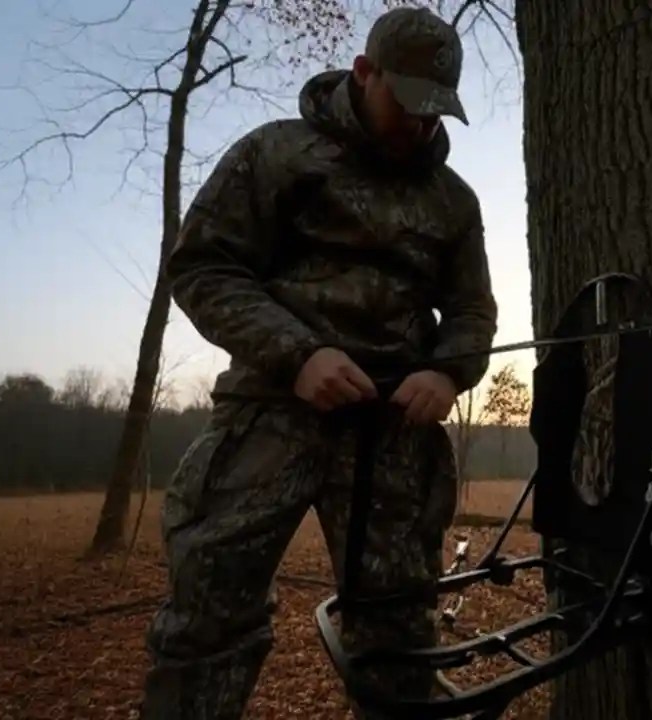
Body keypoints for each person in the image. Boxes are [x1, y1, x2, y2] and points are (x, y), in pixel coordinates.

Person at [137, 6, 497, 718]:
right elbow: (204, 268)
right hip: (269, 416)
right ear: (364, 74)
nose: (422, 126)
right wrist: (299, 355)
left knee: (398, 631)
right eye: (409, 105)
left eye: (437, 113)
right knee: (209, 615)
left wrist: (447, 371)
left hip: (392, 432)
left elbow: (471, 312)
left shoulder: (453, 201)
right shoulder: (275, 153)